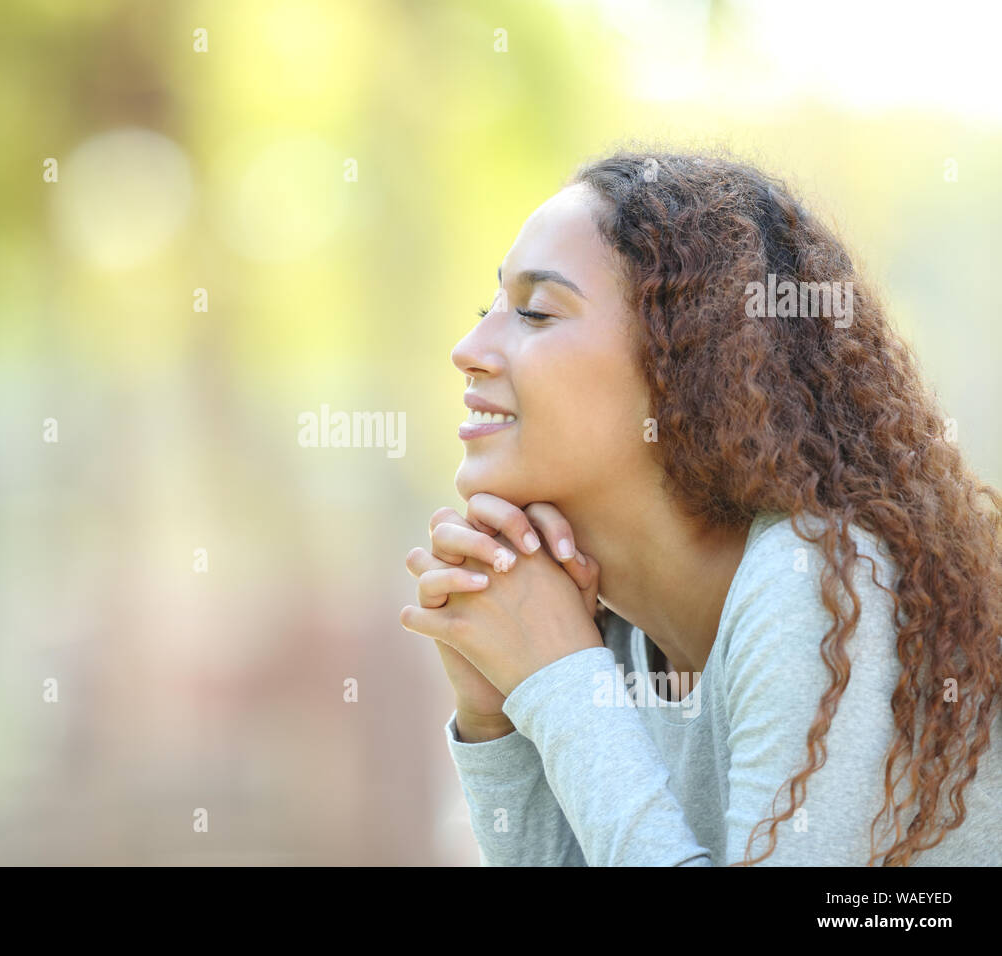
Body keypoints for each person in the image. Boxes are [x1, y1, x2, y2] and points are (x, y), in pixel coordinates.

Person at [400, 150, 1002, 866]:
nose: (468, 350)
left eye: (534, 312)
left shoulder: (818, 587)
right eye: (487, 310)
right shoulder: (611, 632)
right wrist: (498, 718)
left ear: (683, 367)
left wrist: (559, 683)